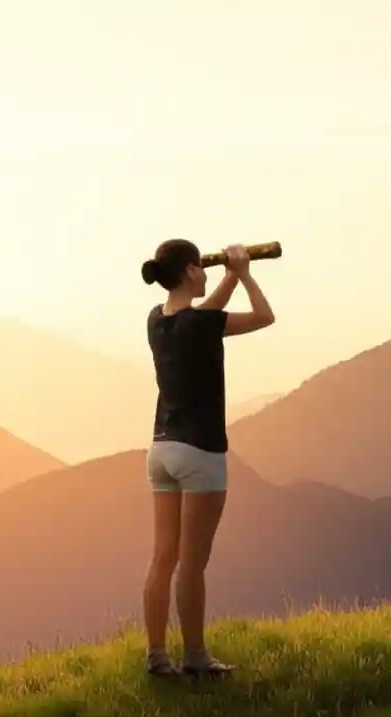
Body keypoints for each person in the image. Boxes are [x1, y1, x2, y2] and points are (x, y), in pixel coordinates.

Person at [138, 238, 275, 679]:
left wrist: (231, 275)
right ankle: (195, 655)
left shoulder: (156, 320)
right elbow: (264, 317)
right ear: (192, 272)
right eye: (201, 266)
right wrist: (244, 272)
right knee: (192, 561)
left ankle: (157, 655)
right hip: (200, 451)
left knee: (163, 558)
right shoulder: (200, 324)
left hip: (161, 448)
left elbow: (207, 315)